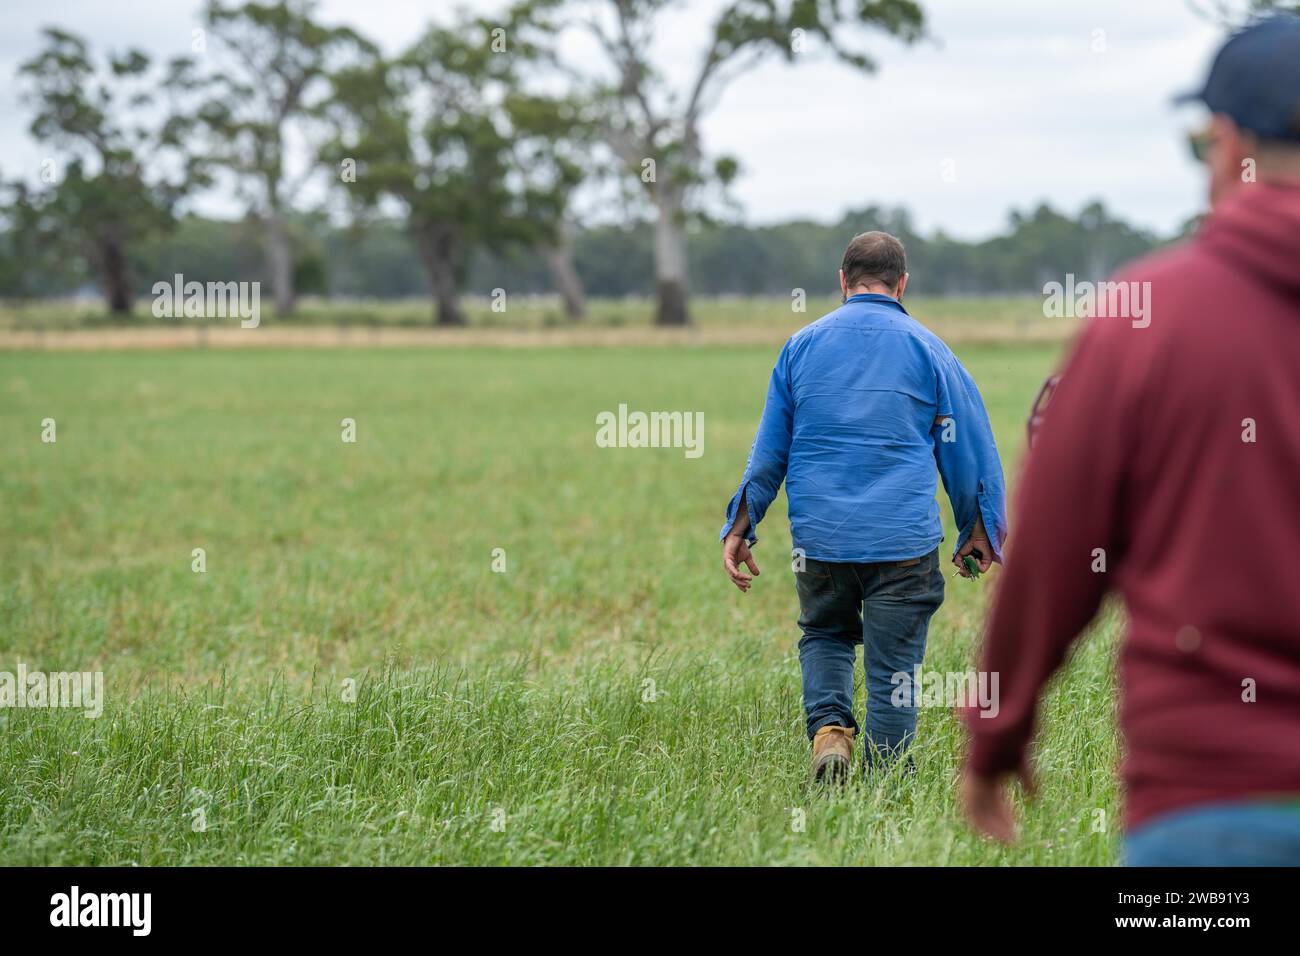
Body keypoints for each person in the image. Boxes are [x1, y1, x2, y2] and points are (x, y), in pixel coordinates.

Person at [960, 14, 1300, 865]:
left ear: (1226, 145)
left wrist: (996, 734)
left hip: (1210, 809)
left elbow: (1054, 554)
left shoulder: (1150, 312)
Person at [720, 231, 1008, 781]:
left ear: (842, 281)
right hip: (903, 543)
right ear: (902, 284)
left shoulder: (800, 347)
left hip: (821, 541)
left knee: (825, 633)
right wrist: (979, 526)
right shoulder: (929, 349)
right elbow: (965, 445)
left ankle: (830, 736)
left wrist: (742, 522)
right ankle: (887, 780)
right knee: (893, 666)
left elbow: (768, 452)